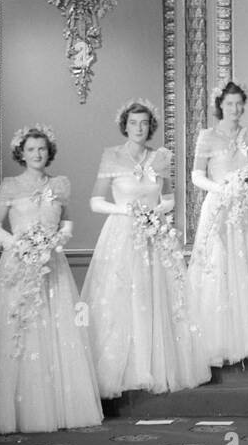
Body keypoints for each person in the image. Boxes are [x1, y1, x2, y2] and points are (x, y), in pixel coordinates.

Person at [0, 125, 102, 434]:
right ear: (21, 154)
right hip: (19, 264)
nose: (37, 154)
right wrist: (19, 245)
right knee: (20, 331)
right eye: (31, 149)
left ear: (49, 152)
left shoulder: (60, 184)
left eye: (42, 149)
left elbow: (66, 220)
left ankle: (59, 409)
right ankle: (16, 413)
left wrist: (58, 238)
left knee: (55, 328)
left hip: (52, 264)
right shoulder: (10, 186)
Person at [82, 99, 211, 402]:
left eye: (143, 123)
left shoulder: (160, 157)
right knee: (124, 298)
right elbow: (95, 201)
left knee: (155, 299)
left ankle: (155, 366)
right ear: (124, 126)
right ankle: (126, 369)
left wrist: (155, 212)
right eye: (133, 123)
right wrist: (125, 210)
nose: (138, 128)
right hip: (122, 234)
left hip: (155, 234)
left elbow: (168, 199)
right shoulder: (112, 157)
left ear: (150, 126)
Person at [188, 81, 248, 366]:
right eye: (229, 103)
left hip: (245, 210)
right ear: (219, 105)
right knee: (219, 268)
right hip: (219, 207)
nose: (234, 109)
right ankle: (219, 342)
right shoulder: (207, 137)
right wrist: (221, 187)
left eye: (238, 103)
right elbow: (196, 175)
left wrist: (247, 181)